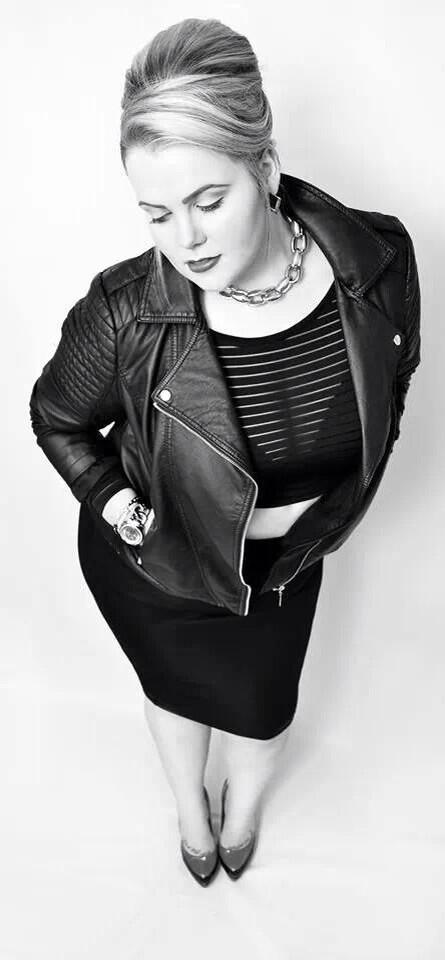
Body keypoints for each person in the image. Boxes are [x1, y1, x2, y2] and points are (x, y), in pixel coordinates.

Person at [29, 17, 421, 886]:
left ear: (266, 169)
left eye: (209, 201)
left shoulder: (380, 260)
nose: (187, 239)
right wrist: (117, 504)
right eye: (157, 213)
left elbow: (395, 371)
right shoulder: (124, 311)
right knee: (174, 698)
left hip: (282, 568)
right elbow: (54, 416)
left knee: (262, 709)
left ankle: (242, 814)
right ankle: (189, 813)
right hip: (157, 571)